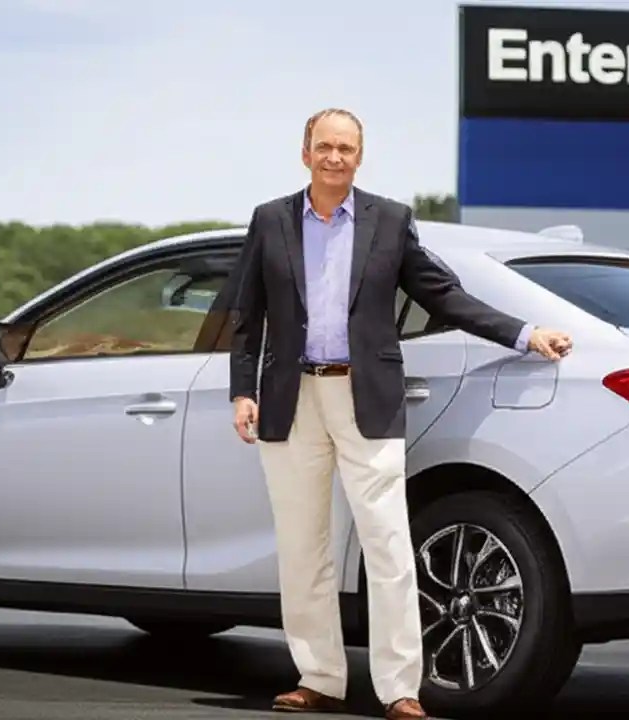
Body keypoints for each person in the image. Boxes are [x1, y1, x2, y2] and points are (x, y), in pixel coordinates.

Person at [227, 108, 572, 719]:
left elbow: (443, 294)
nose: (336, 158)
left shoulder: (389, 220)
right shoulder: (270, 220)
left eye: (347, 149)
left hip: (368, 398)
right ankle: (319, 677)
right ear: (305, 152)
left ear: (361, 157)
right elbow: (247, 314)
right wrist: (242, 390)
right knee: (303, 547)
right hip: (291, 399)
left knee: (387, 544)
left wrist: (523, 333)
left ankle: (400, 688)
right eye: (325, 147)